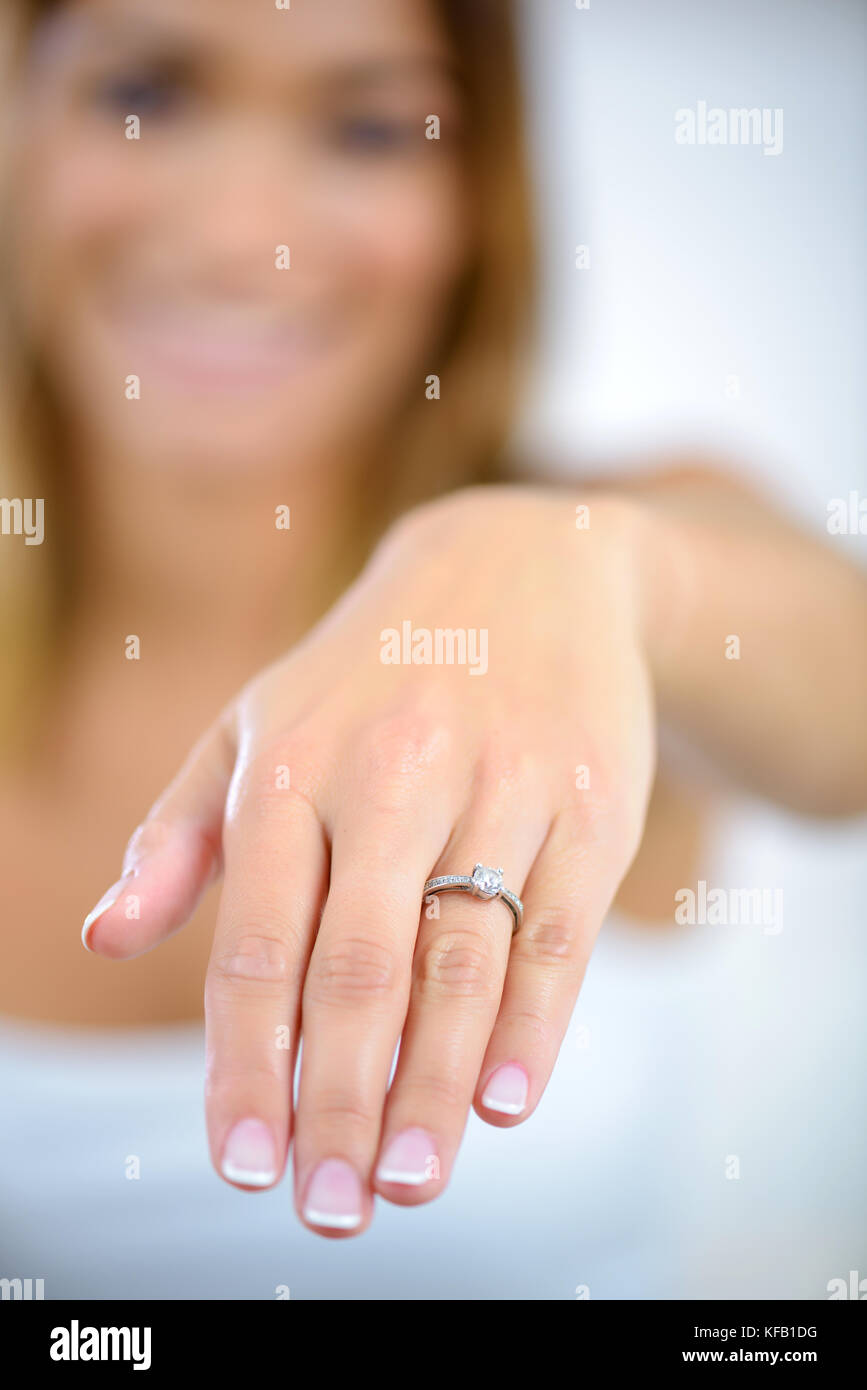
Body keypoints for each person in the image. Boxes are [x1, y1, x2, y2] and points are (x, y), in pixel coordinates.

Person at [1, 0, 865, 1258]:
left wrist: (575, 566)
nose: (244, 235)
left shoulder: (614, 574)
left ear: (479, 196)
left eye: (367, 128)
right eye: (145, 96)